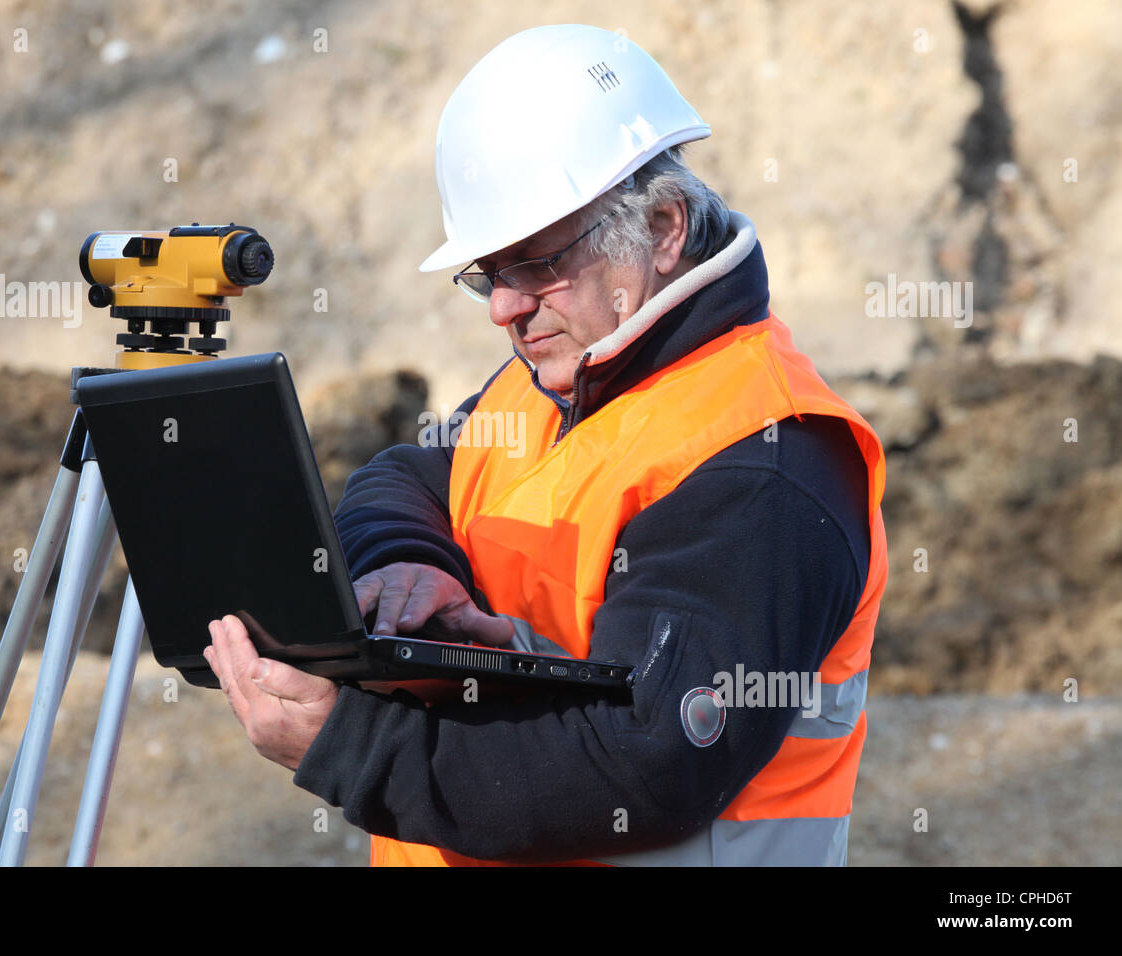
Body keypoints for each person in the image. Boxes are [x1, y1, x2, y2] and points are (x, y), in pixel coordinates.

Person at [203, 24, 888, 866]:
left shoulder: (767, 460)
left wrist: (354, 744)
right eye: (490, 273)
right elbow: (409, 475)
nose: (504, 309)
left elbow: (647, 766)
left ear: (664, 227)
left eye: (536, 262)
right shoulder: (552, 379)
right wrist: (409, 559)